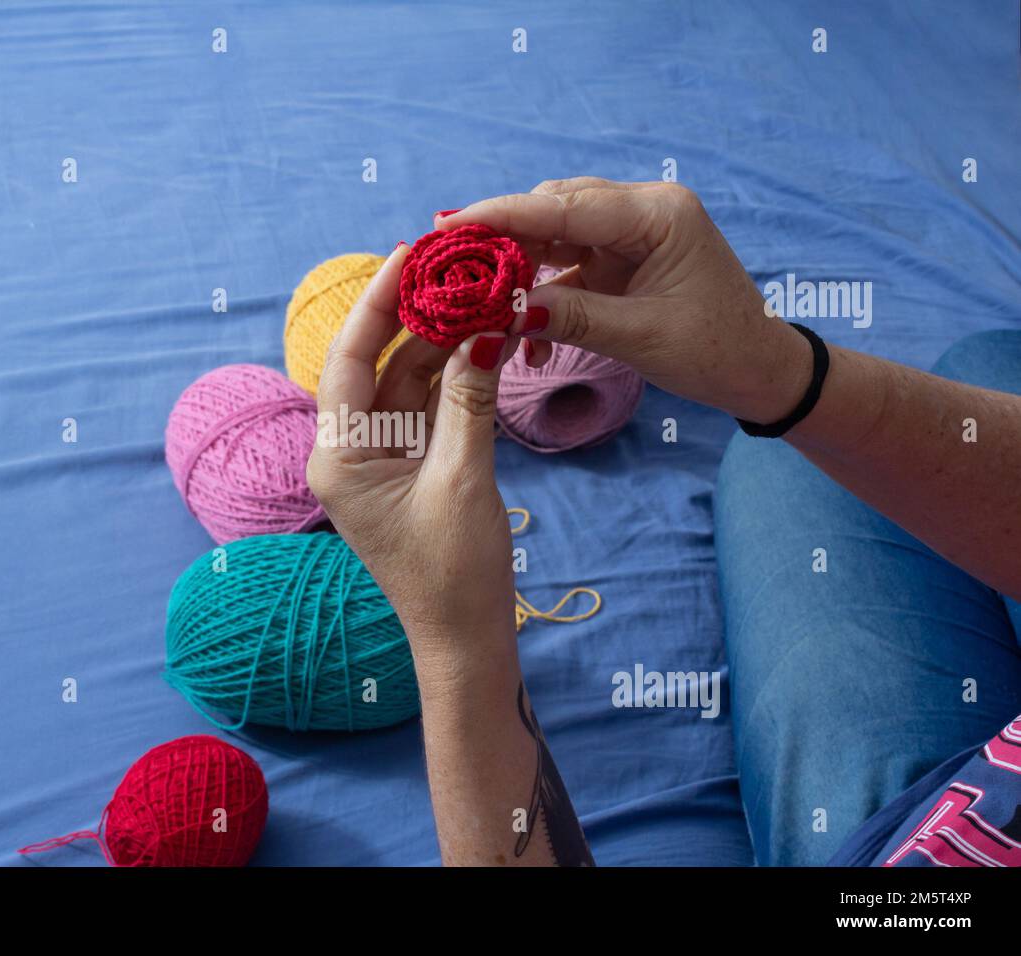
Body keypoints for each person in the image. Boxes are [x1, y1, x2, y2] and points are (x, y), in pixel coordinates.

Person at [305, 177, 1021, 866]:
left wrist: (457, 648)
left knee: (821, 444)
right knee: (978, 366)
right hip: (978, 803)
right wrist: (777, 372)